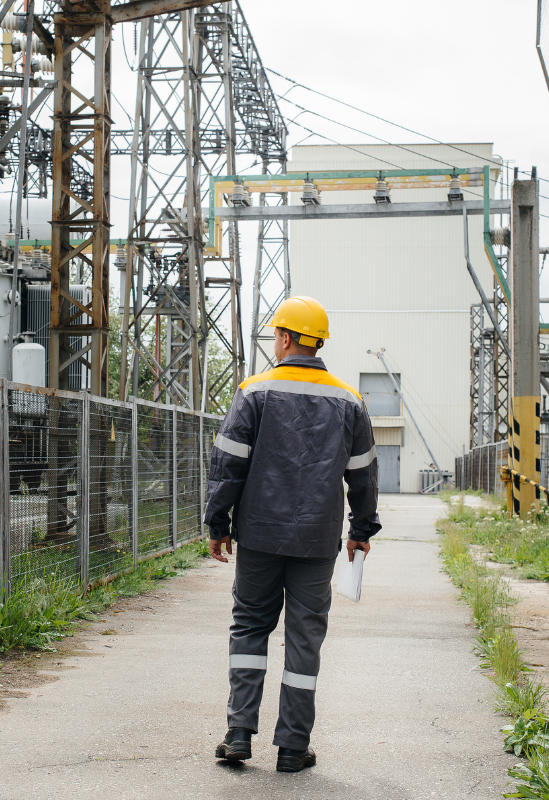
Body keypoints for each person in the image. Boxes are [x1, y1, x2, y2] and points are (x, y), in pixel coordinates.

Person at [203, 295, 381, 773]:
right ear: (317, 341)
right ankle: (292, 747)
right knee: (304, 639)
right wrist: (361, 529)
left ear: (284, 338)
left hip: (259, 536)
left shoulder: (254, 392)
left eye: (275, 336)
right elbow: (362, 473)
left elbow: (228, 464)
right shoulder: (349, 401)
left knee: (249, 627)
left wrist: (218, 523)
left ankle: (239, 732)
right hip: (316, 542)